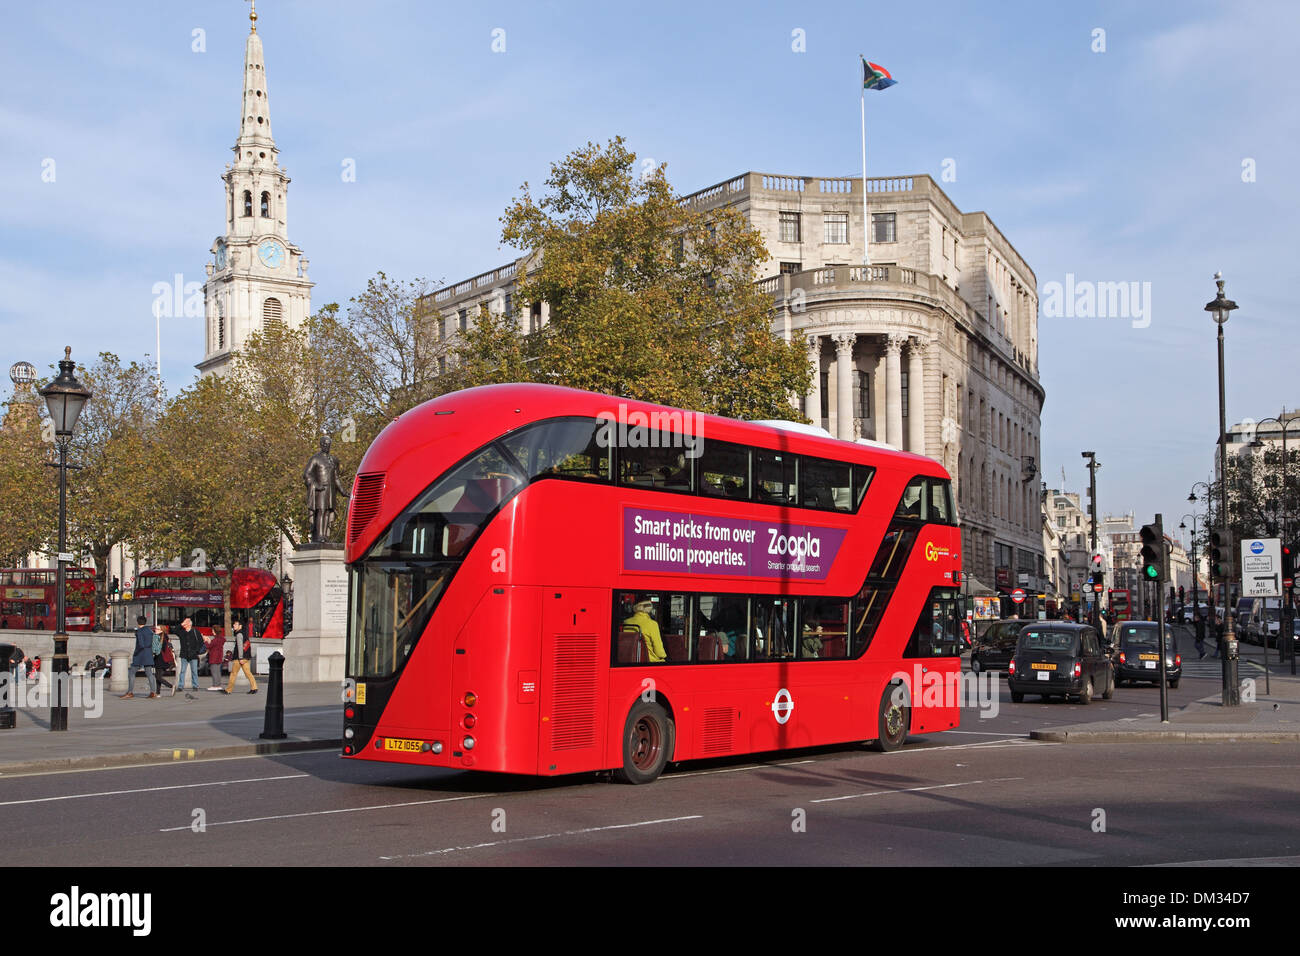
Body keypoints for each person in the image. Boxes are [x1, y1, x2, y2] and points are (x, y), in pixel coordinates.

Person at [121, 614, 157, 699]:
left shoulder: (139, 631)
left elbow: (141, 644)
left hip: (140, 655)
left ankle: (130, 692)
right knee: (149, 673)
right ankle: (153, 692)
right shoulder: (150, 630)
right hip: (148, 654)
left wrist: (135, 653)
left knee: (132, 673)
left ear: (138, 622)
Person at [223, 619, 258, 694]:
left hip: (239, 658)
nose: (233, 625)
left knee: (233, 674)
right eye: (234, 624)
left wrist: (240, 658)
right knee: (248, 673)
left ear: (240, 626)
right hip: (246, 657)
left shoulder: (239, 634)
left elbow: (239, 647)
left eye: (235, 624)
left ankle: (228, 690)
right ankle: (254, 687)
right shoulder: (245, 633)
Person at [175, 617, 204, 698]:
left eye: (186, 622)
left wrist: (196, 651)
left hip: (193, 655)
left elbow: (201, 642)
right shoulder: (181, 632)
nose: (184, 623)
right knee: (182, 671)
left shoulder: (195, 631)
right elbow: (174, 630)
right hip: (184, 654)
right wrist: (181, 624)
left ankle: (195, 685)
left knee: (194, 671)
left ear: (189, 624)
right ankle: (180, 686)